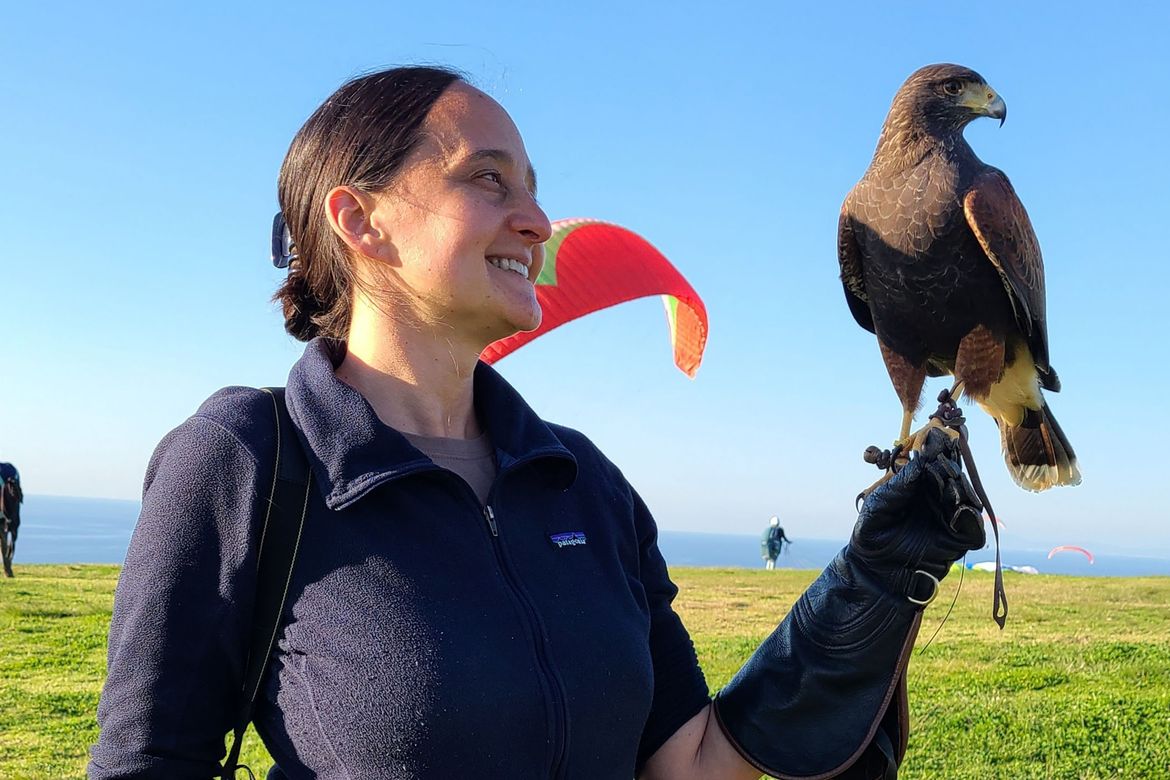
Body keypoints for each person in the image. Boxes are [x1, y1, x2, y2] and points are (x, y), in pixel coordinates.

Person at [89, 66, 985, 780]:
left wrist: (871, 584)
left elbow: (689, 760)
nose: (538, 221)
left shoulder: (582, 479)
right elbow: (146, 762)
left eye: (534, 189)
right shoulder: (247, 460)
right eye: (488, 179)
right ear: (360, 219)